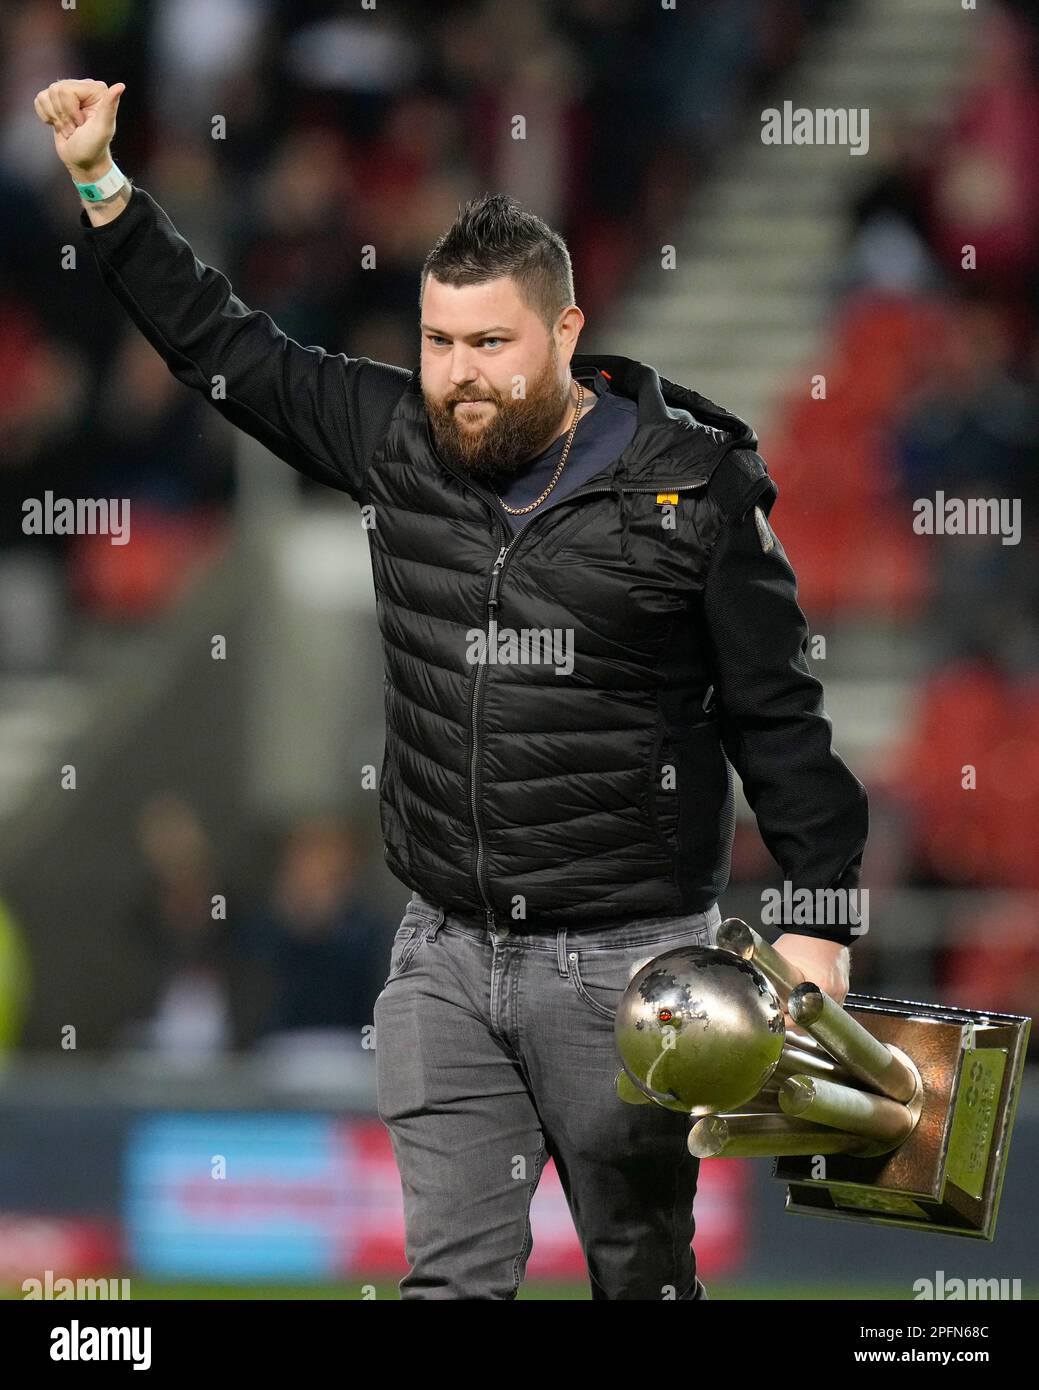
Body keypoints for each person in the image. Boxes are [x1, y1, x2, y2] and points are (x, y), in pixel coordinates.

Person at [35, 80, 869, 1300]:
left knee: (642, 1278)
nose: (459, 375)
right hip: (442, 958)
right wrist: (105, 186)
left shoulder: (691, 491)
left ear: (566, 331)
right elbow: (222, 349)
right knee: (448, 1285)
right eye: (438, 343)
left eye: (492, 343)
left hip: (633, 971)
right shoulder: (394, 442)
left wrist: (819, 915)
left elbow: (777, 716)